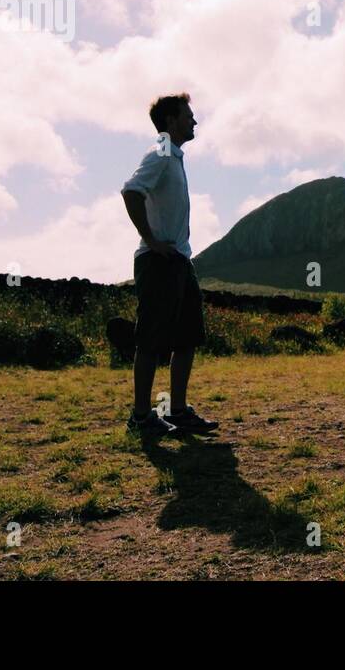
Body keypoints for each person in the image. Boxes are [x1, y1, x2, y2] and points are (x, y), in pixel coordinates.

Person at [120, 92, 219, 435]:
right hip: (158, 260)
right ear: (170, 121)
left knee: (187, 337)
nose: (194, 121)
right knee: (150, 339)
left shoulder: (174, 157)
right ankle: (141, 417)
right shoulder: (161, 153)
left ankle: (176, 411)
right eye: (188, 115)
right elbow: (131, 191)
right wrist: (151, 241)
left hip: (179, 259)